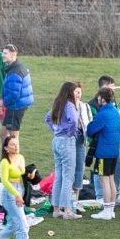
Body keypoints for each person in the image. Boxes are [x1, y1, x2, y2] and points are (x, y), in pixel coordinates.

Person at [44, 81, 81, 220]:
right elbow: (74, 121)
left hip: (57, 140)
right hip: (66, 141)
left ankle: (56, 208)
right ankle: (67, 210)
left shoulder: (57, 104)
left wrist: (55, 130)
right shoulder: (69, 105)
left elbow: (47, 118)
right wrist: (71, 132)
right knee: (68, 176)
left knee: (59, 175)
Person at [86, 87, 120, 220]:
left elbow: (91, 129)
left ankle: (106, 210)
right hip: (113, 151)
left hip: (103, 152)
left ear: (103, 98)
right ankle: (111, 209)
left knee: (103, 179)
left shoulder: (103, 113)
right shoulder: (114, 111)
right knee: (111, 178)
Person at [0, 45, 34, 142]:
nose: (2, 55)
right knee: (3, 134)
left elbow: (14, 95)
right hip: (14, 106)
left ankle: (12, 156)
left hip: (15, 107)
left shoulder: (15, 72)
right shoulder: (16, 67)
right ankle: (6, 156)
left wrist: (3, 102)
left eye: (5, 53)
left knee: (13, 138)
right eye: (3, 53)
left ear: (13, 55)